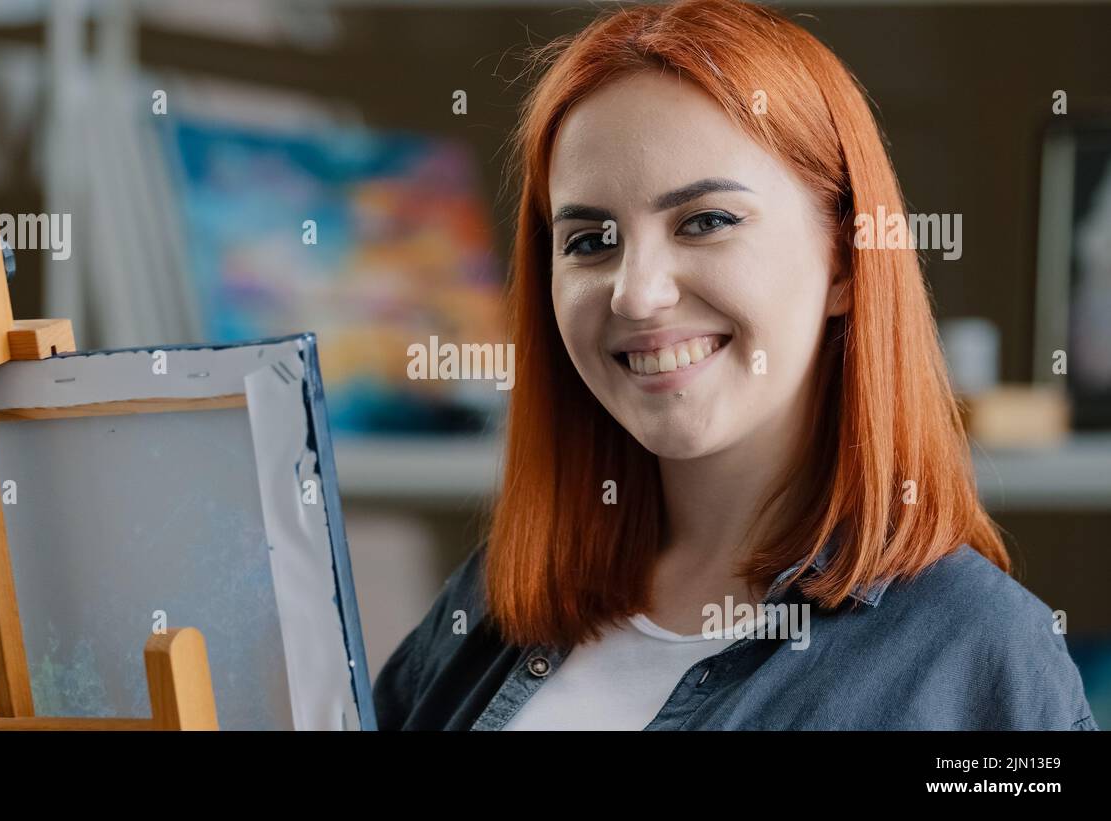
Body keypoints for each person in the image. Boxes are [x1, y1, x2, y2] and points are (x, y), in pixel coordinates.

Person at [373, 0, 1098, 730]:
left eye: (705, 221)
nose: (638, 292)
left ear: (846, 259)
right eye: (591, 240)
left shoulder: (979, 659)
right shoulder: (491, 603)